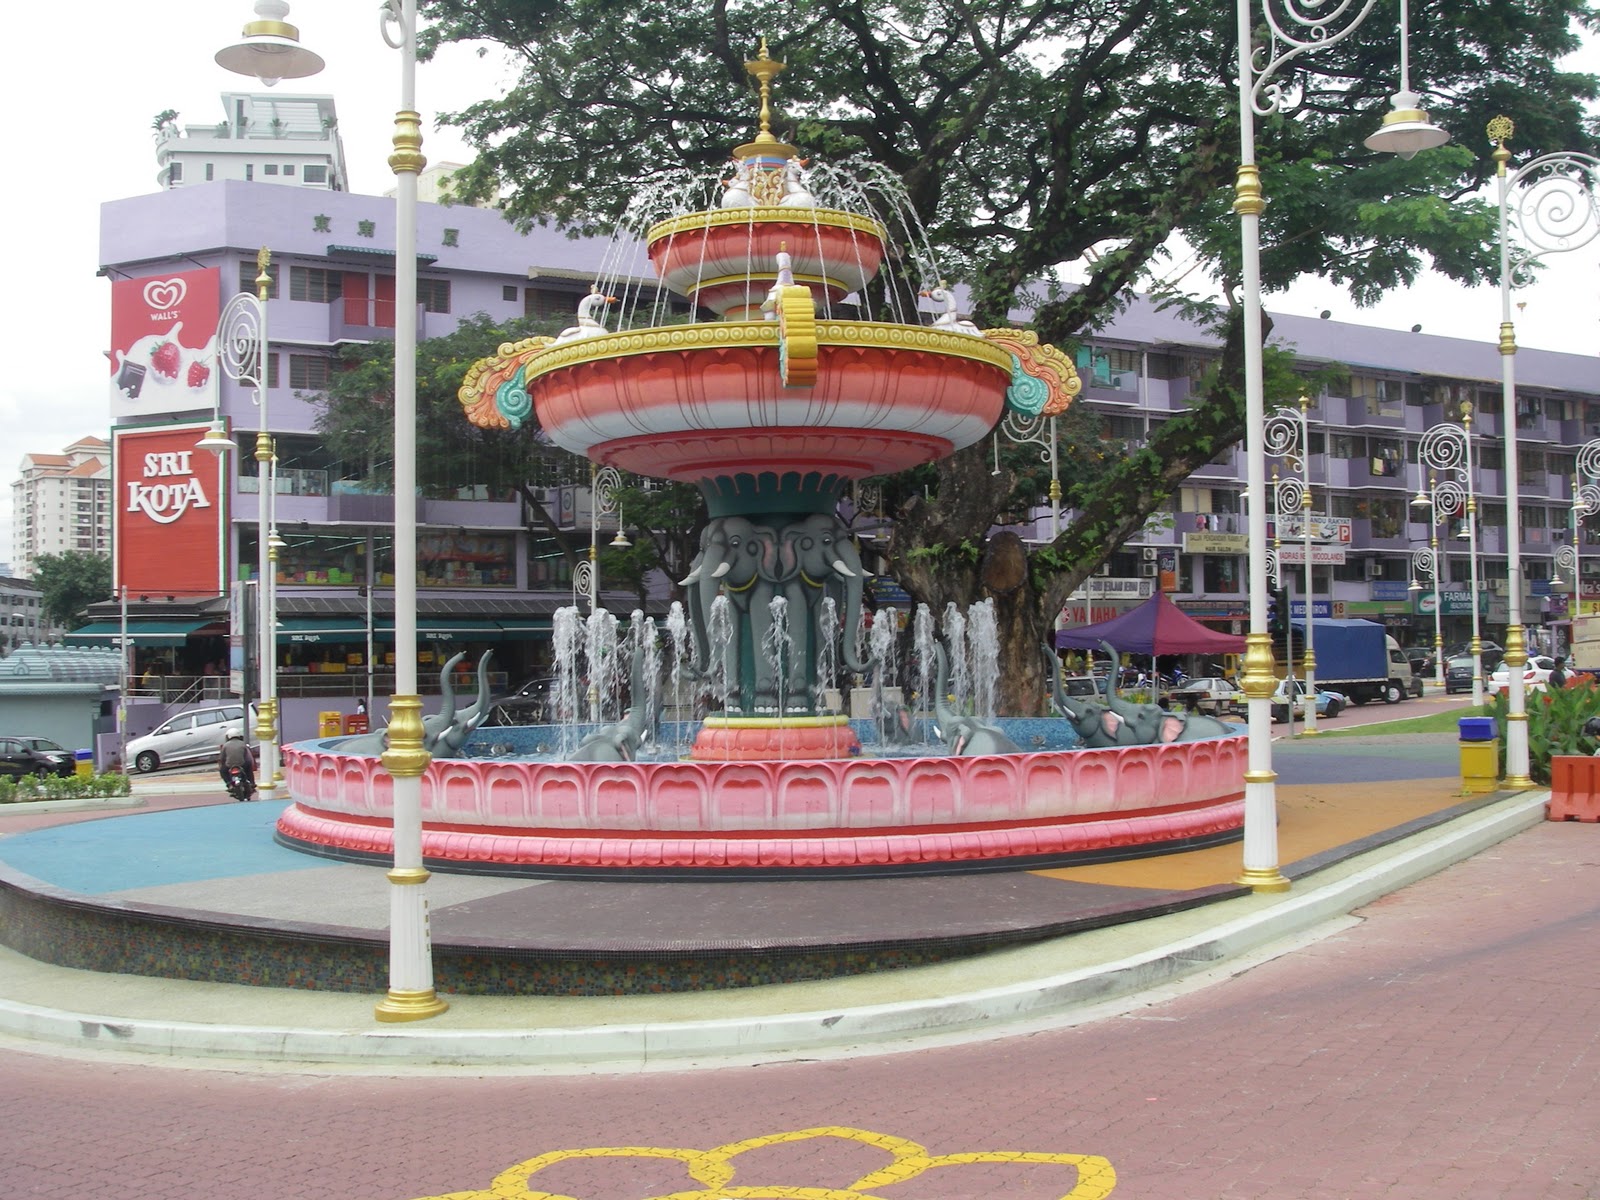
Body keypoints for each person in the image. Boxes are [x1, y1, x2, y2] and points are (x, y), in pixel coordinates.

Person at [219, 729, 255, 800]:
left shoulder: (225, 746)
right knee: (249, 770)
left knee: (222, 771)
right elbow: (248, 756)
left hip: (229, 765)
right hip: (242, 764)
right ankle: (251, 783)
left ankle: (229, 784)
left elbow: (222, 758)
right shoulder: (243, 744)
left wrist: (222, 765)